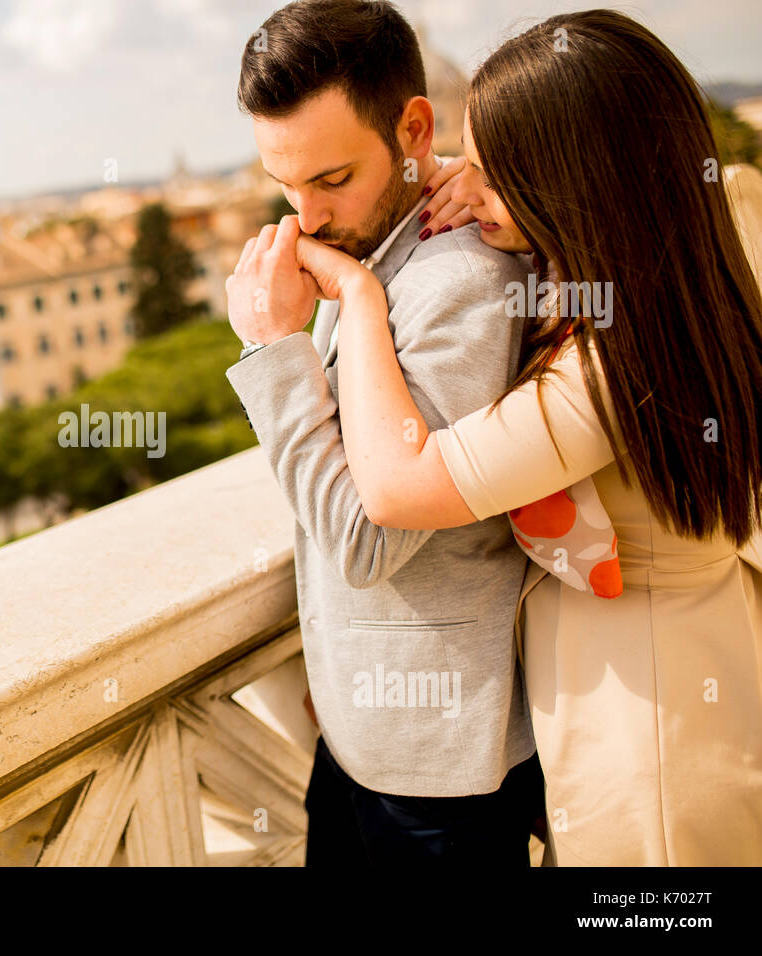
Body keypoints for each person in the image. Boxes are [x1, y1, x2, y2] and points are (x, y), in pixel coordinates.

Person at [292, 8, 762, 865]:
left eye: (495, 174)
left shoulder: (612, 371)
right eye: (468, 162)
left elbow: (397, 492)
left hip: (647, 731)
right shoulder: (670, 286)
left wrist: (359, 297)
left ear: (582, 188)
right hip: (675, 668)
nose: (465, 195)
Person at [225, 0, 543, 866]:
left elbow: (369, 540)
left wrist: (272, 348)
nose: (308, 218)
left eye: (332, 180)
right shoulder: (372, 251)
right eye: (284, 186)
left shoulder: (460, 279)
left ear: (413, 128)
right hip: (367, 735)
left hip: (438, 776)